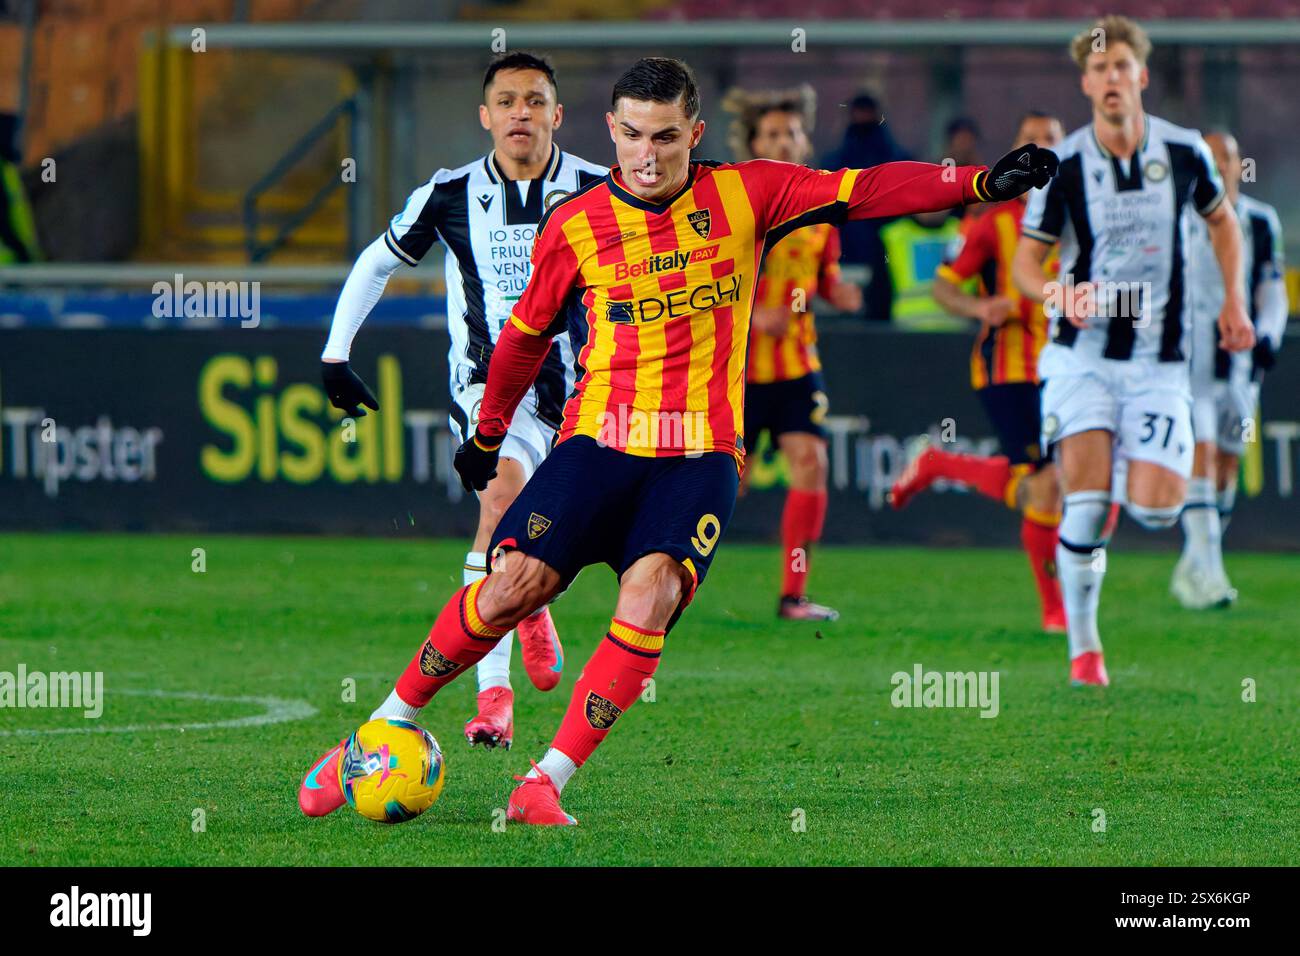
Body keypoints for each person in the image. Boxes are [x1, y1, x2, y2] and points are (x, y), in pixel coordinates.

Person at [300, 56, 1057, 825]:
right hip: (599, 442)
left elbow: (861, 192)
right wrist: (489, 431)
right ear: (611, 131)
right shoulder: (577, 224)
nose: (648, 154)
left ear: (694, 133)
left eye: (666, 137)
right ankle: (382, 725)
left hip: (698, 456)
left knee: (651, 591)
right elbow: (525, 338)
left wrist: (978, 184)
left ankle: (544, 782)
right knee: (508, 588)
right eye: (631, 135)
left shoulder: (748, 191)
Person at [306, 53, 605, 786]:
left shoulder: (602, 189)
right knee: (500, 499)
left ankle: (533, 605)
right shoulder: (448, 194)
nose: (521, 113)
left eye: (535, 100)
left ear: (557, 115)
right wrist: (336, 353)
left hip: (584, 390)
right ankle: (492, 694)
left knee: (545, 538)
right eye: (506, 100)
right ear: (486, 116)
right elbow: (377, 262)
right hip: (485, 386)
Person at [1010, 16, 1254, 687]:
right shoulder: (1064, 167)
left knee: (1157, 508)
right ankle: (1084, 650)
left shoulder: (1183, 153)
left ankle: (1114, 458)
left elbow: (1223, 224)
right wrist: (1057, 294)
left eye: (1122, 66)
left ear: (1139, 76)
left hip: (1159, 364)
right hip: (1081, 356)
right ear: (1085, 83)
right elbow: (1025, 266)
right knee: (1083, 505)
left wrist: (1233, 301)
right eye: (1099, 69)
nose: (1111, 78)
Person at [891, 110, 1066, 633]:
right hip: (1008, 367)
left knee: (1053, 484)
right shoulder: (992, 220)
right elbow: (945, 287)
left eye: (1051, 140)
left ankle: (940, 464)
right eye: (1029, 142)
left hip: (1068, 371)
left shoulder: (1078, 216)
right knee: (1046, 483)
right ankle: (1057, 612)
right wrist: (981, 309)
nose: (1041, 150)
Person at [722, 83, 862, 621]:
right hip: (735, 371)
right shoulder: (735, 206)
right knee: (720, 482)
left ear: (804, 141)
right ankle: (658, 578)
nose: (784, 141)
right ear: (753, 142)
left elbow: (822, 276)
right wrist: (755, 316)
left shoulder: (823, 211)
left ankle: (793, 596)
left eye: (791, 132)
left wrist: (837, 292)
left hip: (798, 366)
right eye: (772, 133)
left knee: (812, 462)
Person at [1173, 130, 1287, 608]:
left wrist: (1268, 335)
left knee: (1225, 465)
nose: (1220, 165)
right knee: (1199, 452)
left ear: (1241, 165)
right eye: (1211, 157)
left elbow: (1271, 284)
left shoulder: (1261, 221)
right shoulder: (1180, 219)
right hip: (1187, 361)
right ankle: (1213, 577)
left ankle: (1191, 567)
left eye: (1228, 157)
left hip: (1240, 367)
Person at [821, 93, 911, 322]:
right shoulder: (833, 163)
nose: (863, 118)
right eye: (859, 112)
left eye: (867, 112)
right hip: (842, 258)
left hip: (886, 260)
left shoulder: (896, 160)